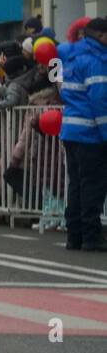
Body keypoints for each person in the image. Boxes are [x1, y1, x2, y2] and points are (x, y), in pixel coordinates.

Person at [59, 17, 107, 252]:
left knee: (76, 185)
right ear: (101, 36)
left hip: (70, 130)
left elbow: (61, 90)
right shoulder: (96, 61)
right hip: (90, 133)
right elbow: (99, 101)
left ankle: (74, 235)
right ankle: (91, 236)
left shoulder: (71, 58)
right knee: (93, 186)